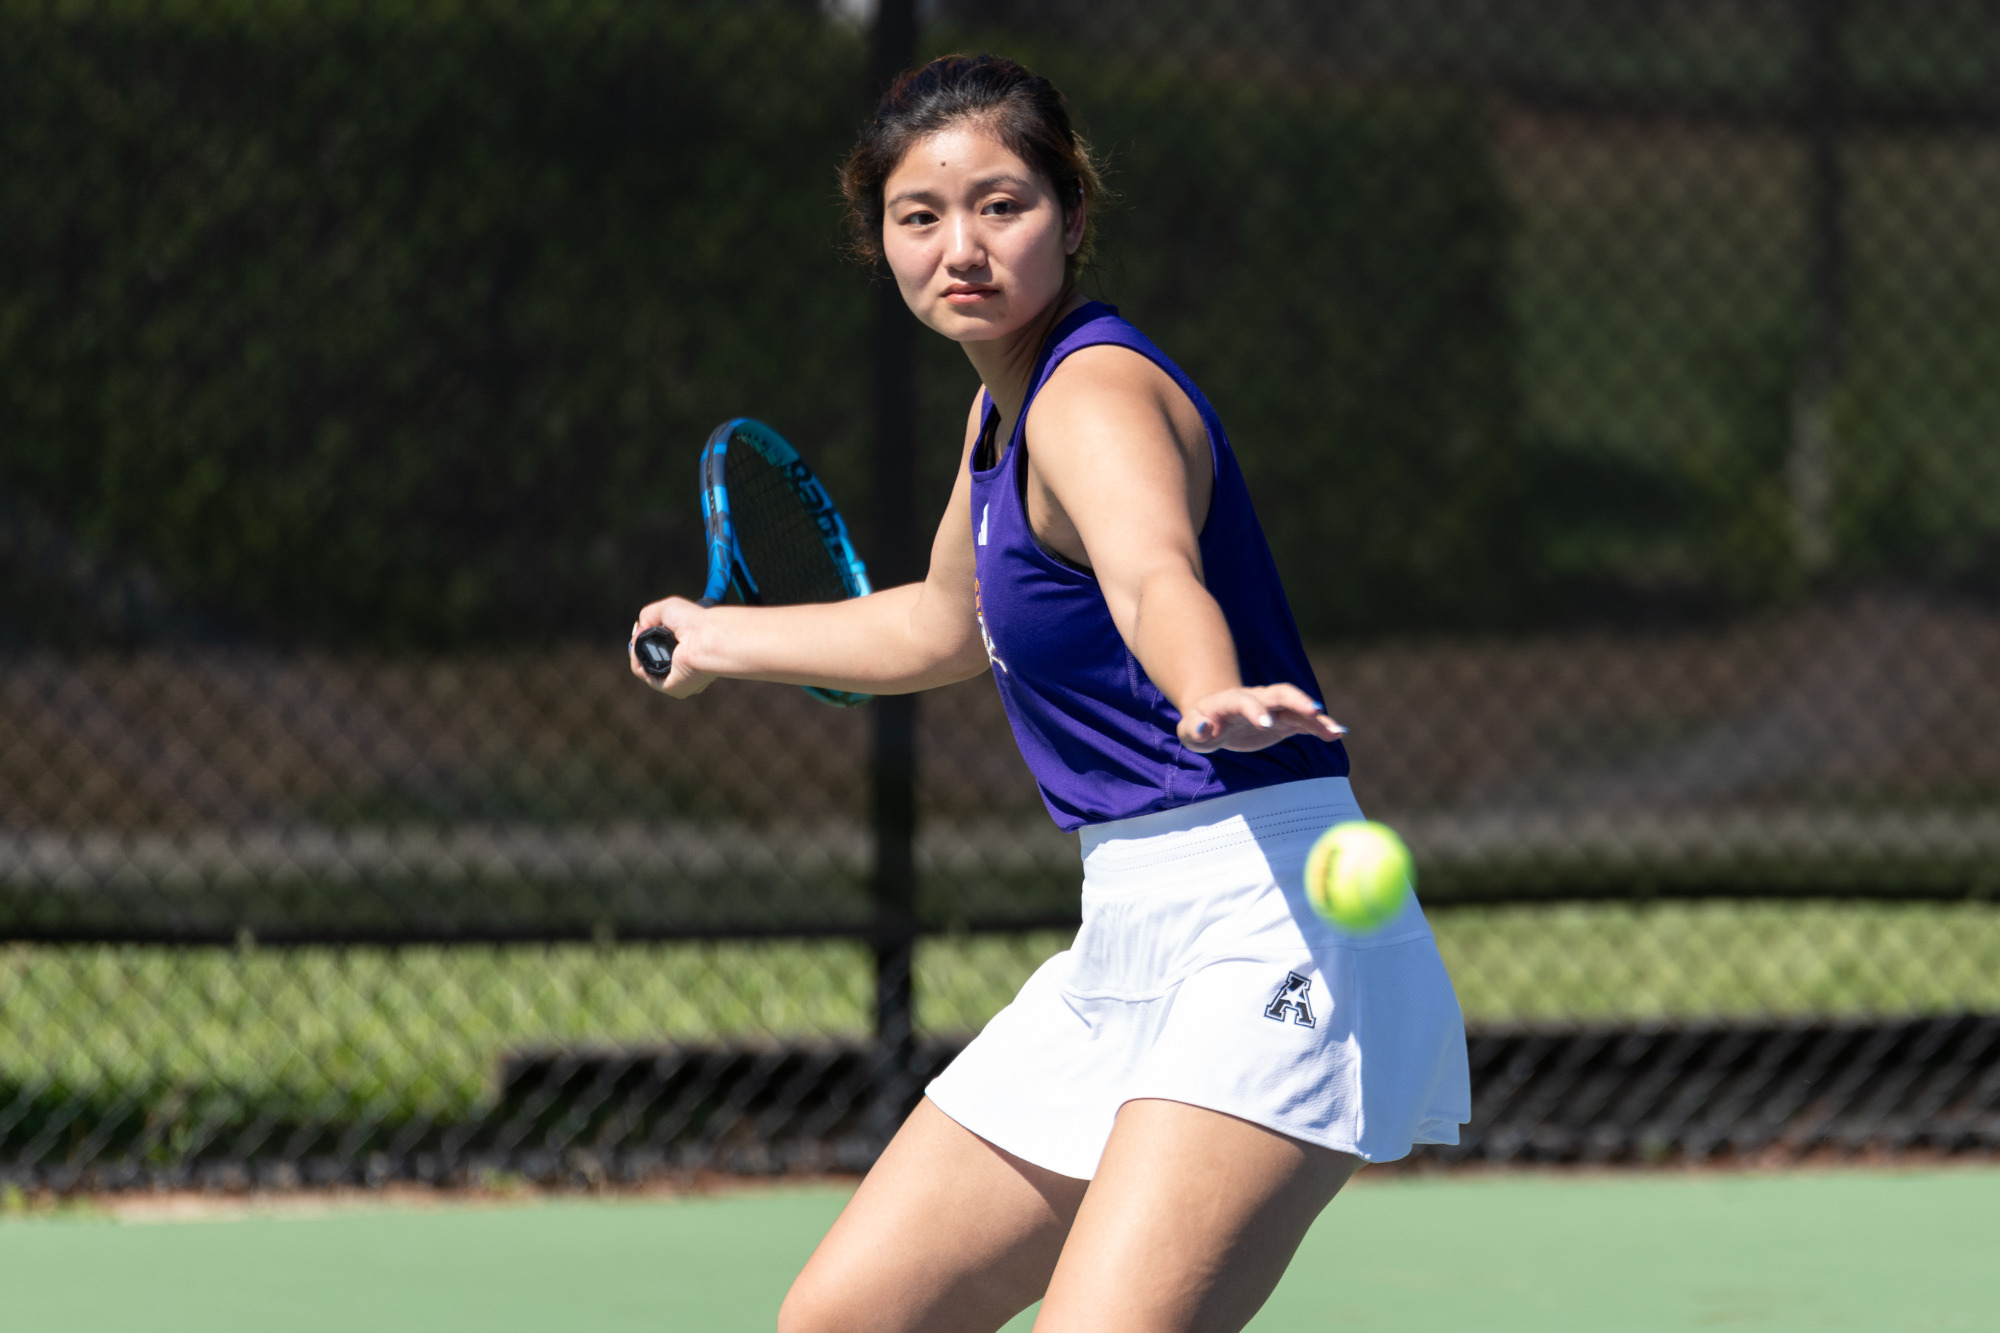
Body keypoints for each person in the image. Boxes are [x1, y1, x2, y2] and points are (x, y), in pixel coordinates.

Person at [631, 53, 1469, 1333]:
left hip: (1266, 922)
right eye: (919, 216)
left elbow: (1150, 573)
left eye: (1000, 205)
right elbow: (938, 624)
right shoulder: (998, 416)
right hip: (1126, 928)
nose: (959, 248)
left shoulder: (1089, 394)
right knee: (846, 1320)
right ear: (880, 242)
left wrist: (1205, 685)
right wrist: (719, 638)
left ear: (1071, 217)